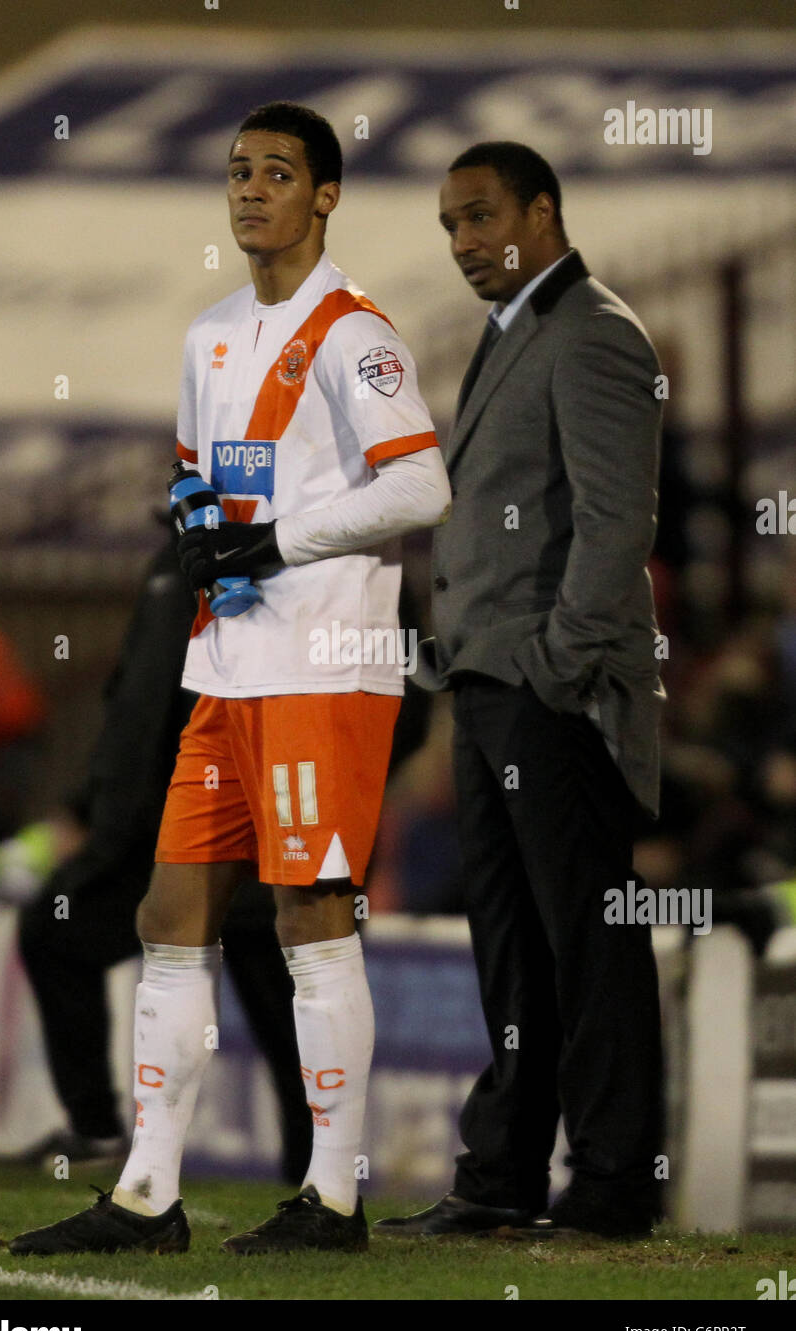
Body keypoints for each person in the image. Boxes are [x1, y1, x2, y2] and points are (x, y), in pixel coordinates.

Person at [9, 101, 449, 1257]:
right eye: (237, 171)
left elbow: (422, 489)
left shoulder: (356, 335)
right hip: (228, 665)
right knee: (170, 913)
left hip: (321, 667)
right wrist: (204, 523)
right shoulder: (209, 334)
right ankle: (149, 1193)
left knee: (308, 917)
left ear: (327, 194)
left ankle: (334, 1196)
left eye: (277, 173)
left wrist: (276, 544)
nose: (250, 190)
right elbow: (199, 477)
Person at [376, 142, 665, 1242]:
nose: (460, 242)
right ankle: (498, 1175)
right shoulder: (518, 333)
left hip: (555, 692)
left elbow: (614, 525)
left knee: (586, 938)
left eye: (479, 216)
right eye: (448, 224)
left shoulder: (592, 333)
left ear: (540, 211)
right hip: (492, 685)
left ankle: (610, 1185)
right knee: (510, 941)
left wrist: (555, 663)